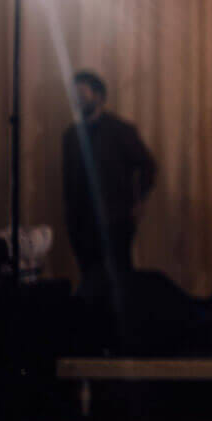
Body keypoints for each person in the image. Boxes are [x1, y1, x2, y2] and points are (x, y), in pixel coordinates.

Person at [62, 70, 157, 281]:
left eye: (82, 94)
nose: (77, 100)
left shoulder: (120, 130)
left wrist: (139, 201)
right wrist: (70, 218)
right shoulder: (70, 135)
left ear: (98, 96)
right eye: (74, 95)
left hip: (116, 219)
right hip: (81, 222)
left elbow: (148, 166)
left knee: (119, 277)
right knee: (89, 277)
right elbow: (68, 181)